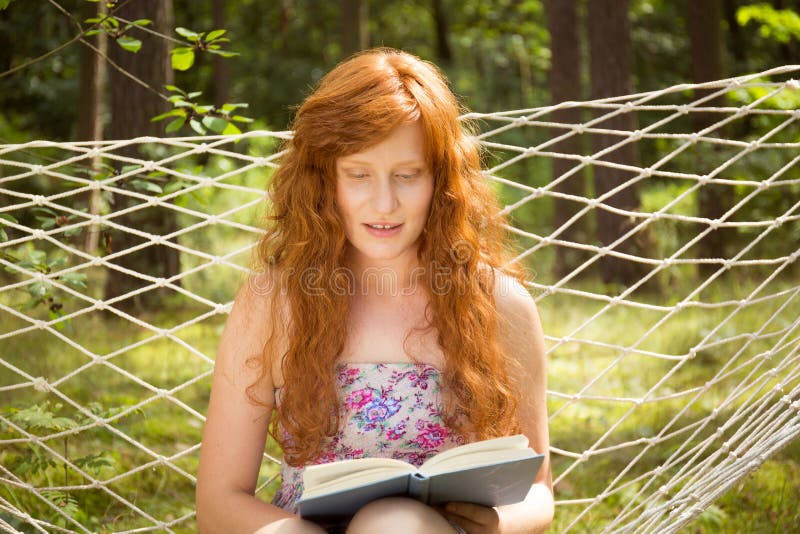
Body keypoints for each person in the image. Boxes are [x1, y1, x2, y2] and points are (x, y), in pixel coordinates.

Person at [196, 47, 553, 534]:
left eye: (407, 176)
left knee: (397, 523)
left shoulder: (499, 305)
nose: (384, 203)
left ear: (442, 182)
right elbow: (218, 503)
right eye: (359, 174)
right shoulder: (274, 304)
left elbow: (538, 489)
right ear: (325, 181)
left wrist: (499, 524)